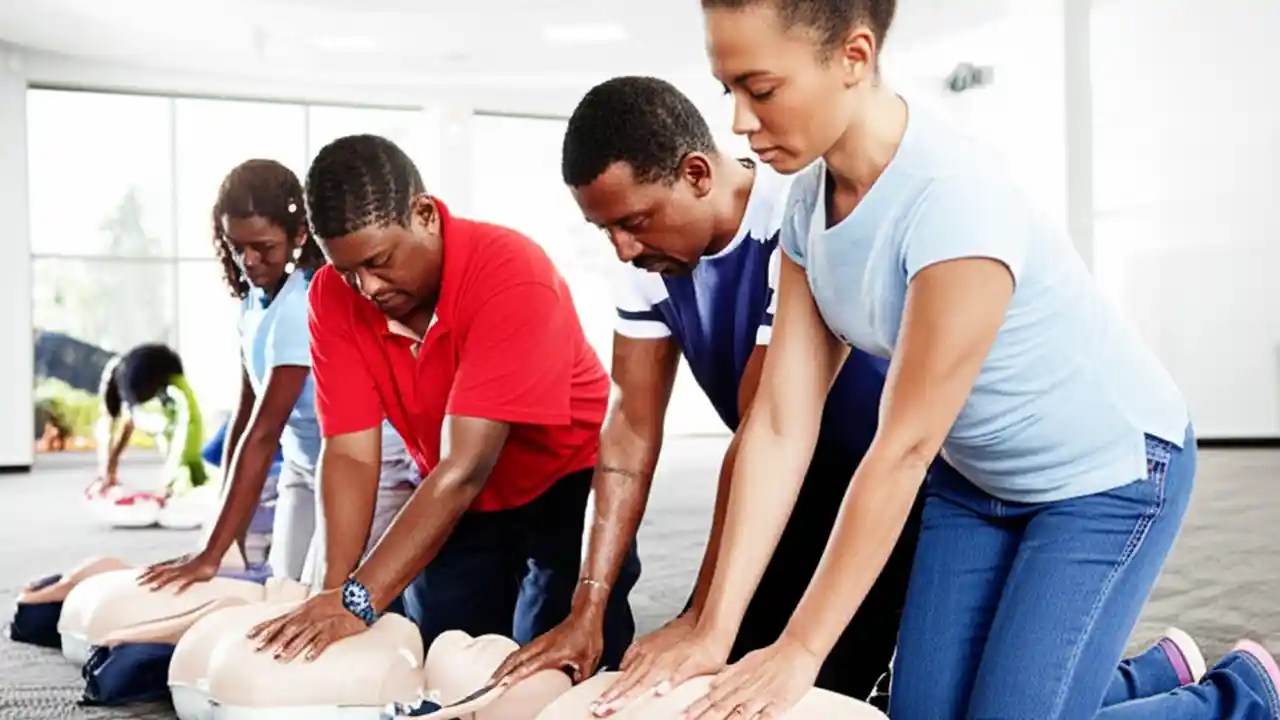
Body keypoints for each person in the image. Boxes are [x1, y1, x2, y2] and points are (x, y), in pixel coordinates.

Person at [594, 1, 1280, 718]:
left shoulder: (954, 199)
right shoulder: (805, 207)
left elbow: (901, 449)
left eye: (761, 90)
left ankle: (1239, 698)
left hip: (1106, 475)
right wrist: (713, 630)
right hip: (975, 478)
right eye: (727, 89)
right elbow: (777, 427)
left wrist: (800, 650)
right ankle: (1135, 676)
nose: (739, 120)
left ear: (853, 59)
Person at [491, 75, 919, 705]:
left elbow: (762, 429)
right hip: (785, 492)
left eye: (633, 221)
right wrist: (589, 605)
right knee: (729, 684)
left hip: (892, 485)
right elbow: (630, 431)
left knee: (852, 690)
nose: (622, 246)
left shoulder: (791, 220)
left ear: (696, 174)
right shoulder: (647, 259)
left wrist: (699, 615)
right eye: (605, 228)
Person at [246, 135, 640, 669]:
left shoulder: (509, 270)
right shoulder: (331, 297)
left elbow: (467, 465)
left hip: (566, 481)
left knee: (546, 666)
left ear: (425, 214)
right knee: (441, 658)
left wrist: (359, 600)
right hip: (455, 495)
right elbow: (350, 453)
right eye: (347, 270)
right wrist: (336, 590)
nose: (367, 287)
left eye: (379, 261)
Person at [137, 159, 418, 591]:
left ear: (299, 236)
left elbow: (264, 434)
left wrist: (210, 555)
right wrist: (219, 531)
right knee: (282, 587)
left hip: (370, 463)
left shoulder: (300, 305)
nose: (248, 260)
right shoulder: (253, 305)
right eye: (236, 246)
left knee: (320, 596)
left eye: (263, 247)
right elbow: (245, 418)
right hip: (306, 464)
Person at [92, 343, 208, 500]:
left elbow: (121, 424)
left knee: (174, 435)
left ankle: (177, 483)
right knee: (181, 434)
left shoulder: (122, 380)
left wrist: (108, 468)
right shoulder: (127, 373)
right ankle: (188, 481)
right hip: (168, 373)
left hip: (157, 377)